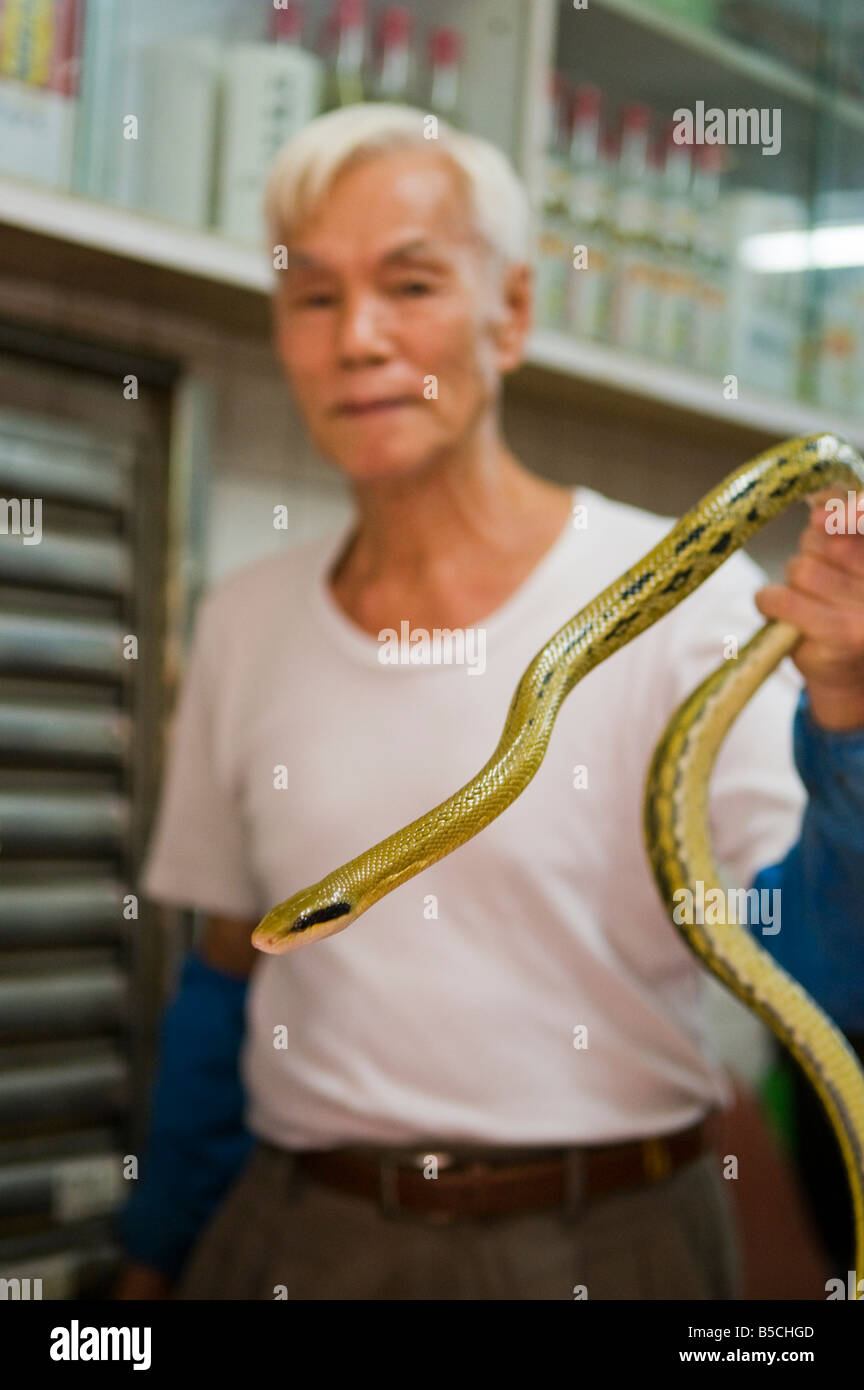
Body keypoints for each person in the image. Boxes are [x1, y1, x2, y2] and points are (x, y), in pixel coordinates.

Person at [114, 104, 864, 1301]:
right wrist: (154, 1252)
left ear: (510, 312)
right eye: (312, 296)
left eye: (409, 284)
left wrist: (851, 726)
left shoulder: (702, 597)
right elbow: (224, 974)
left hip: (607, 1244)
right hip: (300, 1232)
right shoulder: (244, 616)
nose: (358, 337)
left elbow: (823, 970)